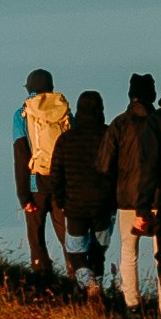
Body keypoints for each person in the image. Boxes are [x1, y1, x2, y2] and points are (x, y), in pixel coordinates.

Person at [105, 69, 161, 319]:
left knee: (128, 251)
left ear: (130, 94)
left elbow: (103, 163)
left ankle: (132, 303)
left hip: (127, 199)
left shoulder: (119, 124)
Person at [46, 87, 116, 294]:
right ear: (101, 110)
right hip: (104, 206)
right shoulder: (109, 135)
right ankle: (97, 292)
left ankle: (88, 284)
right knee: (98, 252)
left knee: (76, 252)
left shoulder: (66, 139)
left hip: (74, 206)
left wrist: (61, 202)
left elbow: (56, 174)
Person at [12, 67, 65, 271]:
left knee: (36, 237)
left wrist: (23, 196)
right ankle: (77, 279)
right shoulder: (63, 110)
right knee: (68, 237)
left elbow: (21, 155)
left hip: (36, 183)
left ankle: (42, 280)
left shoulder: (22, 114)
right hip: (62, 183)